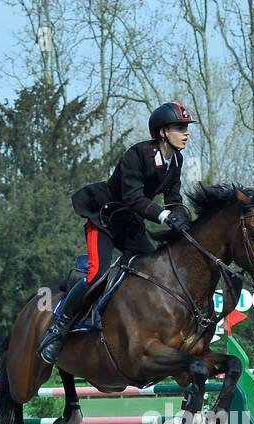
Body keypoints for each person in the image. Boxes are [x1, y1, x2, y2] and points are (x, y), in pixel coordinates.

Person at [38, 102, 198, 363]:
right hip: (103, 218)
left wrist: (181, 216)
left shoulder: (176, 160)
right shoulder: (137, 154)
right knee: (96, 273)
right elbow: (134, 198)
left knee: (154, 270)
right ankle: (57, 330)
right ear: (162, 132)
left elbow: (173, 198)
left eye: (186, 128)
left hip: (128, 224)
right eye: (180, 128)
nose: (186, 132)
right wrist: (164, 216)